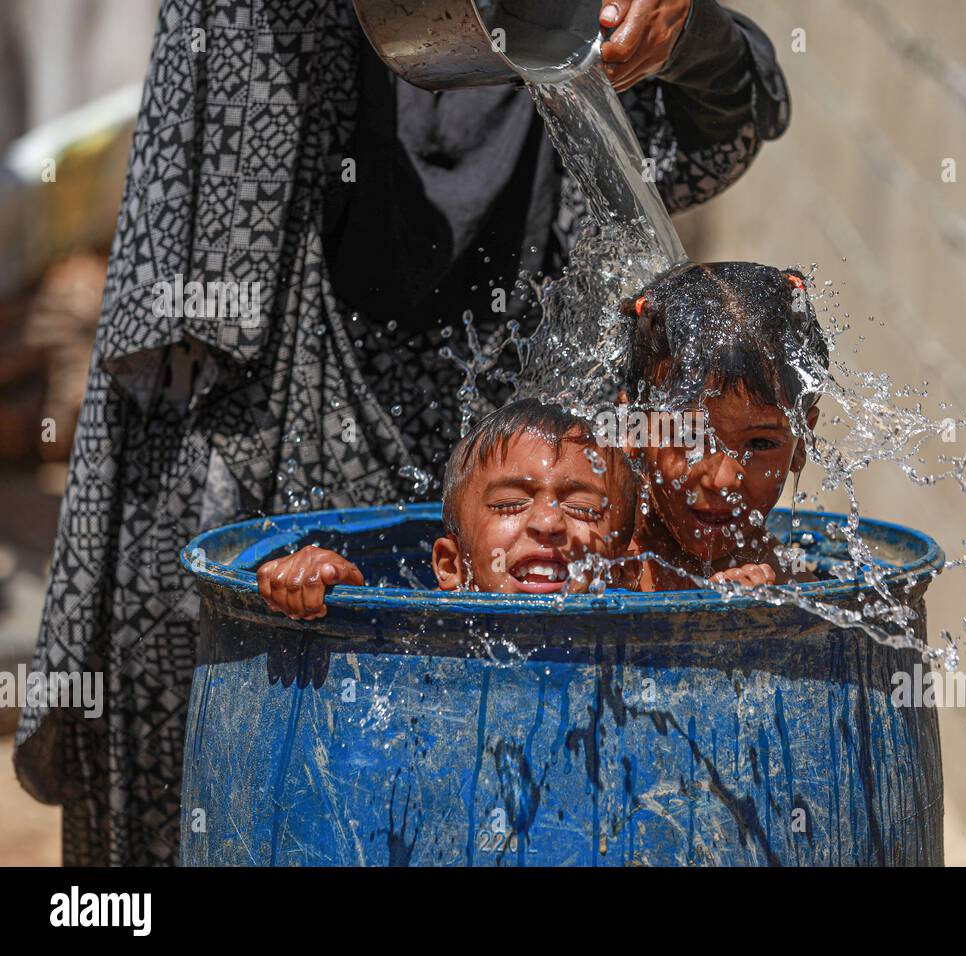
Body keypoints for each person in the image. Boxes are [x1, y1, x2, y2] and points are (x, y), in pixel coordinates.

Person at [16, 0, 792, 865]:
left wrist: (685, 31)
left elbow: (741, 108)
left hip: (513, 421)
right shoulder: (259, 37)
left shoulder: (569, 42)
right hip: (266, 402)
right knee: (220, 762)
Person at [256, 399, 636, 616]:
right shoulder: (419, 635)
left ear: (626, 571)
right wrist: (332, 587)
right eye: (509, 503)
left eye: (584, 508)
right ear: (450, 566)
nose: (549, 522)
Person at [618, 261, 828, 591]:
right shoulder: (600, 564)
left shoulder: (785, 583)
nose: (723, 480)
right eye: (689, 437)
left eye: (760, 443)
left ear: (802, 440)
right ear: (632, 430)